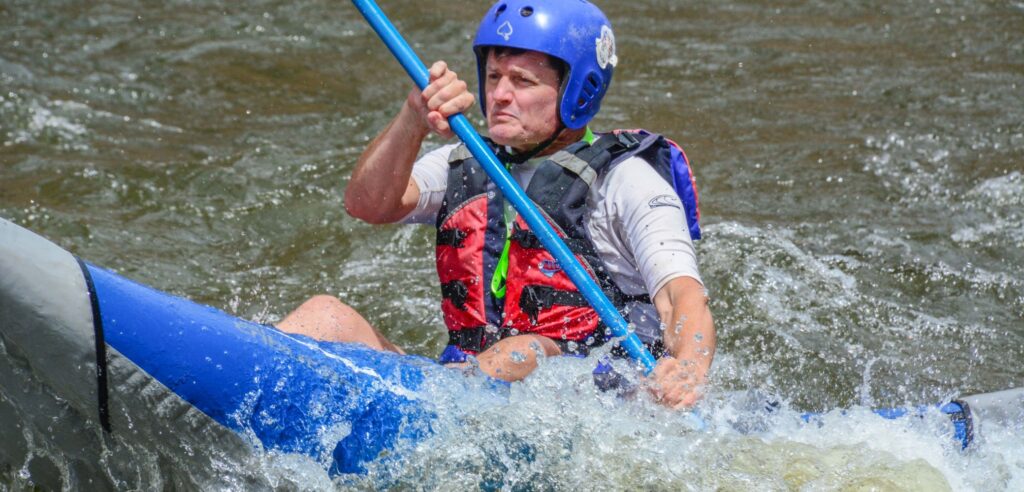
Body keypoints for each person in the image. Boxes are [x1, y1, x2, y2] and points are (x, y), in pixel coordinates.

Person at [278, 0, 715, 408]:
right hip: (458, 384)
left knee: (524, 350)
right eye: (493, 77)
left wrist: (688, 370)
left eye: (522, 81)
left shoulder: (627, 181)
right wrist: (413, 117)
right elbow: (366, 205)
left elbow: (682, 297)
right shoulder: (465, 160)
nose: (500, 95)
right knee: (323, 316)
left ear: (578, 91)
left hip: (590, 397)